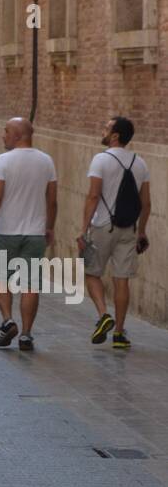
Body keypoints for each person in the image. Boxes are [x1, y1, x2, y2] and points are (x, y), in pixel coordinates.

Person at [0, 118, 57, 352]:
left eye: (6, 132)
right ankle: (26, 334)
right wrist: (49, 227)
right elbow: (52, 200)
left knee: (0, 278)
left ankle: (7, 320)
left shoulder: (4, 160)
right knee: (31, 284)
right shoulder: (46, 161)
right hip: (35, 233)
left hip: (6, 231)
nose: (3, 136)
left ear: (17, 135)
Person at [76, 116, 150, 351]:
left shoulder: (101, 160)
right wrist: (142, 232)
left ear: (115, 135)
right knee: (122, 280)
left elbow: (93, 195)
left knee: (91, 272)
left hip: (102, 227)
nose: (103, 130)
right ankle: (119, 333)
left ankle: (103, 315)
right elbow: (146, 203)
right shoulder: (140, 163)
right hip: (129, 229)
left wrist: (83, 229)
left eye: (106, 128)